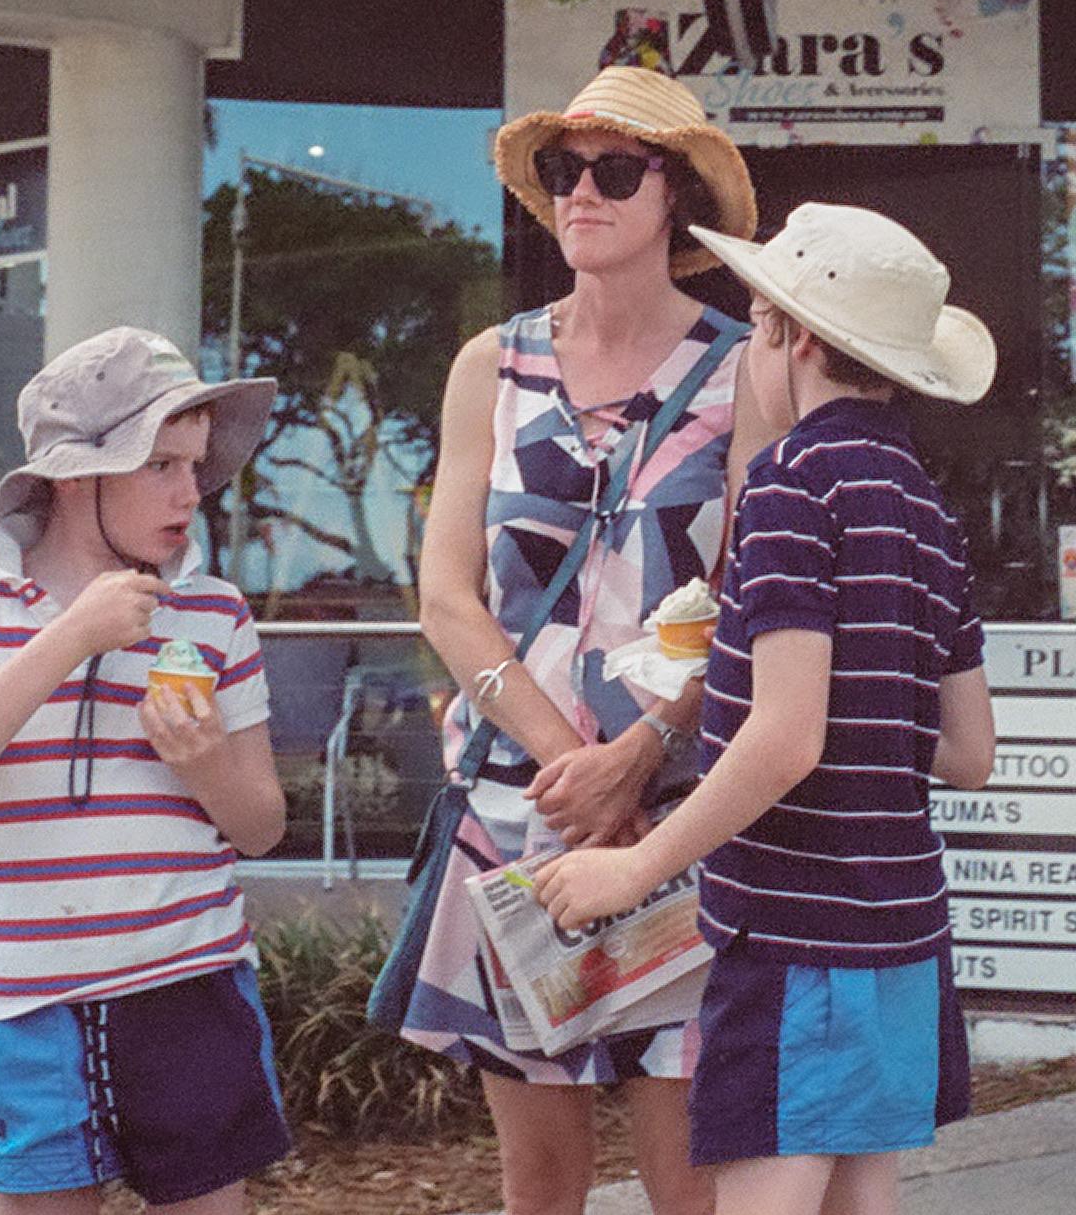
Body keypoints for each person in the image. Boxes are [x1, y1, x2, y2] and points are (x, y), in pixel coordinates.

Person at [535, 202, 1001, 1215]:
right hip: (903, 933)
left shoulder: (791, 488)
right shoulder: (927, 507)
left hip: (794, 936)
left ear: (795, 338)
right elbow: (969, 750)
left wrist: (631, 868)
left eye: (756, 323)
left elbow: (786, 738)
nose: (747, 350)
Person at [395, 64, 765, 1215]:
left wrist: (642, 753)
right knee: (539, 1179)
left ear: (676, 194)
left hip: (680, 808)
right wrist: (577, 764)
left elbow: (755, 599)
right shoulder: (490, 364)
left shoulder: (745, 368)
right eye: (563, 170)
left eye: (613, 170)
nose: (582, 193)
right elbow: (446, 597)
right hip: (525, 804)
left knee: (687, 1175)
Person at [0, 326, 291, 1215]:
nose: (190, 490)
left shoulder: (215, 611)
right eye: (160, 464)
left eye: (195, 464)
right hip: (26, 1002)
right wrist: (71, 634)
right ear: (79, 475)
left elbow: (263, 824)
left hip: (187, 981)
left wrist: (206, 765)